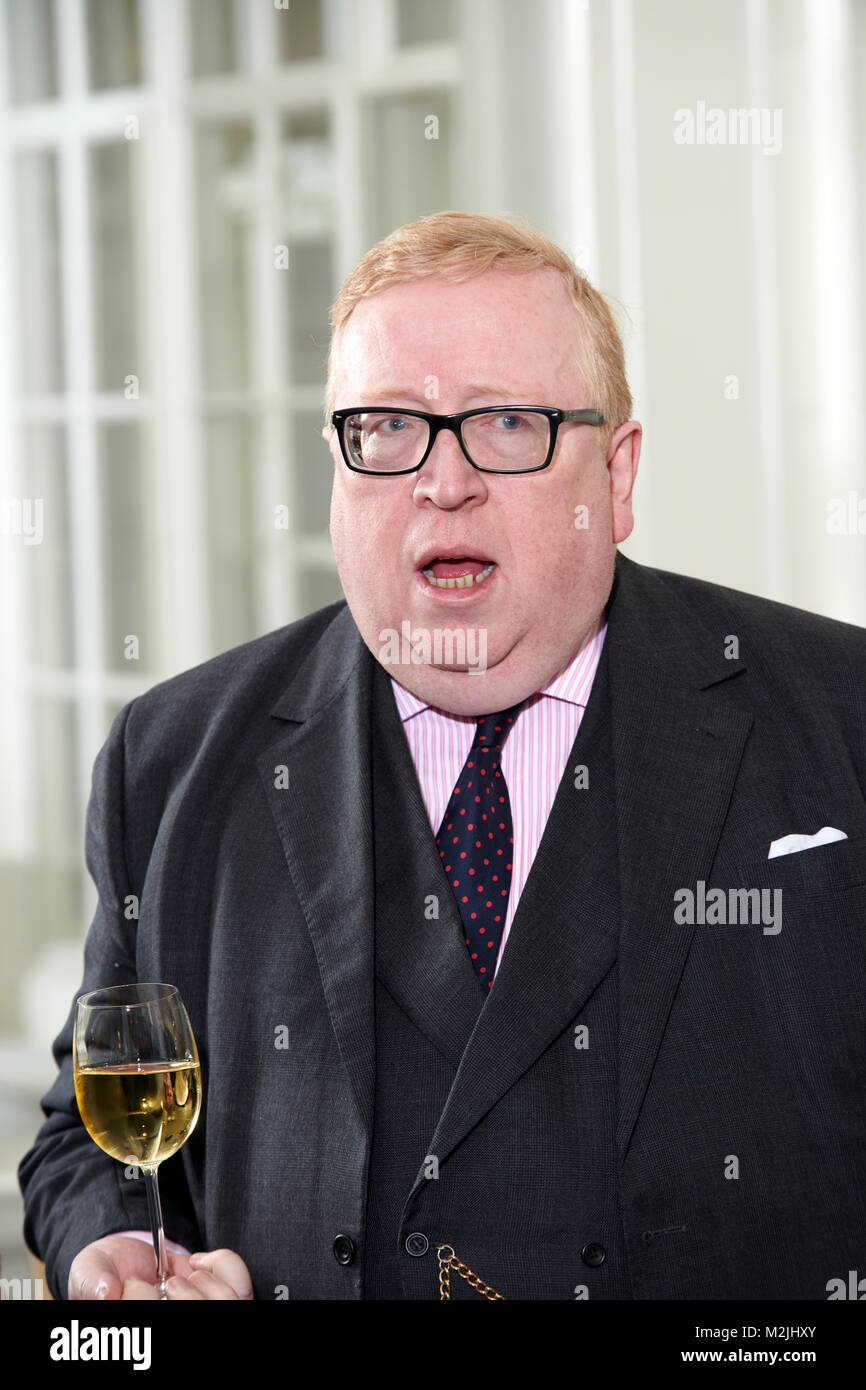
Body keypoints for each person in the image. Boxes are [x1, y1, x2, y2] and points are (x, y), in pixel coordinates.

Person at [19, 211, 866, 1301]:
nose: (442, 480)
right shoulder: (171, 761)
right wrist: (104, 1257)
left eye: (507, 423)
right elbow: (86, 1136)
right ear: (336, 468)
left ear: (614, 479)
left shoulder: (838, 720)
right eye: (386, 428)